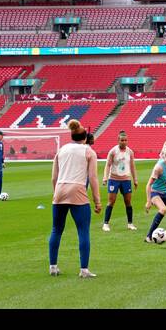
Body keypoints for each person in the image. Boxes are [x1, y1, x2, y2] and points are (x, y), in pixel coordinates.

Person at [48, 118, 101, 278]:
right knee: (83, 231)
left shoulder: (62, 150)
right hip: (77, 189)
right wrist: (97, 200)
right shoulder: (89, 151)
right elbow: (93, 178)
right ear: (85, 138)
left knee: (56, 229)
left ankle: (53, 266)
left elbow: (53, 177)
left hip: (60, 189)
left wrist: (56, 193)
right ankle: (84, 269)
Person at [101, 130, 138, 232]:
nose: (124, 142)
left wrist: (135, 179)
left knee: (128, 202)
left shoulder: (130, 152)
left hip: (126, 179)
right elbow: (108, 165)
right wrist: (105, 177)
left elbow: (132, 166)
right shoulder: (113, 151)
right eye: (122, 140)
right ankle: (106, 224)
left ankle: (130, 223)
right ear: (118, 140)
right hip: (114, 179)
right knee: (111, 201)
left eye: (125, 140)